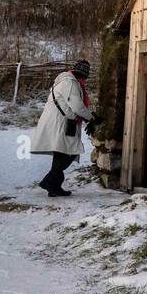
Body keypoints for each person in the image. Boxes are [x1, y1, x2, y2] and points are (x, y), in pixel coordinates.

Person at [32, 59, 100, 197]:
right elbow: (76, 105)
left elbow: (75, 105)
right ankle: (50, 182)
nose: (84, 80)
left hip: (61, 121)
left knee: (62, 152)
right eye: (84, 77)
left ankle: (53, 187)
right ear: (81, 74)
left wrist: (89, 116)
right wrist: (90, 118)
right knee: (67, 153)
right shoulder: (70, 83)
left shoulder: (67, 81)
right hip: (61, 123)